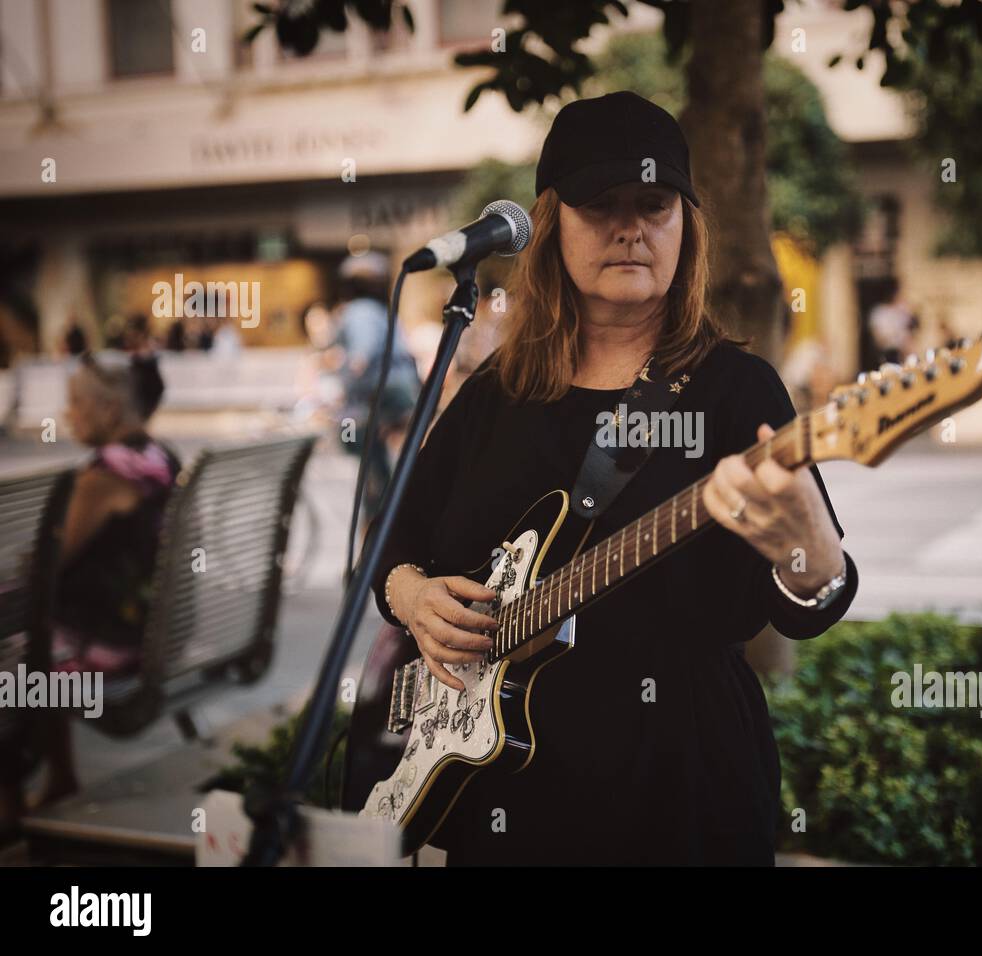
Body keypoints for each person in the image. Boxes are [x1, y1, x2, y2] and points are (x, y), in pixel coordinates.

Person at [371, 90, 858, 865]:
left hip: (679, 781)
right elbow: (394, 542)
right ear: (552, 224)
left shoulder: (737, 389)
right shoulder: (499, 391)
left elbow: (808, 607)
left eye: (654, 204)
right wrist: (415, 597)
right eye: (602, 205)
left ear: (684, 228)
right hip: (503, 789)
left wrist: (813, 556)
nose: (631, 227)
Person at [36, 351, 182, 806]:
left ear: (109, 409)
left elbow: (47, 564)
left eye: (76, 402)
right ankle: (55, 781)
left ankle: (11, 799)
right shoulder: (161, 456)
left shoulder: (108, 472)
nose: (68, 414)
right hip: (157, 634)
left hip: (113, 647)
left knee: (16, 670)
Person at [333, 252, 422, 526]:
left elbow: (361, 357)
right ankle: (388, 518)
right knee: (386, 464)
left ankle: (376, 532)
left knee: (371, 465)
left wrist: (343, 379)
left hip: (379, 400)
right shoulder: (384, 313)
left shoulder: (356, 312)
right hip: (404, 395)